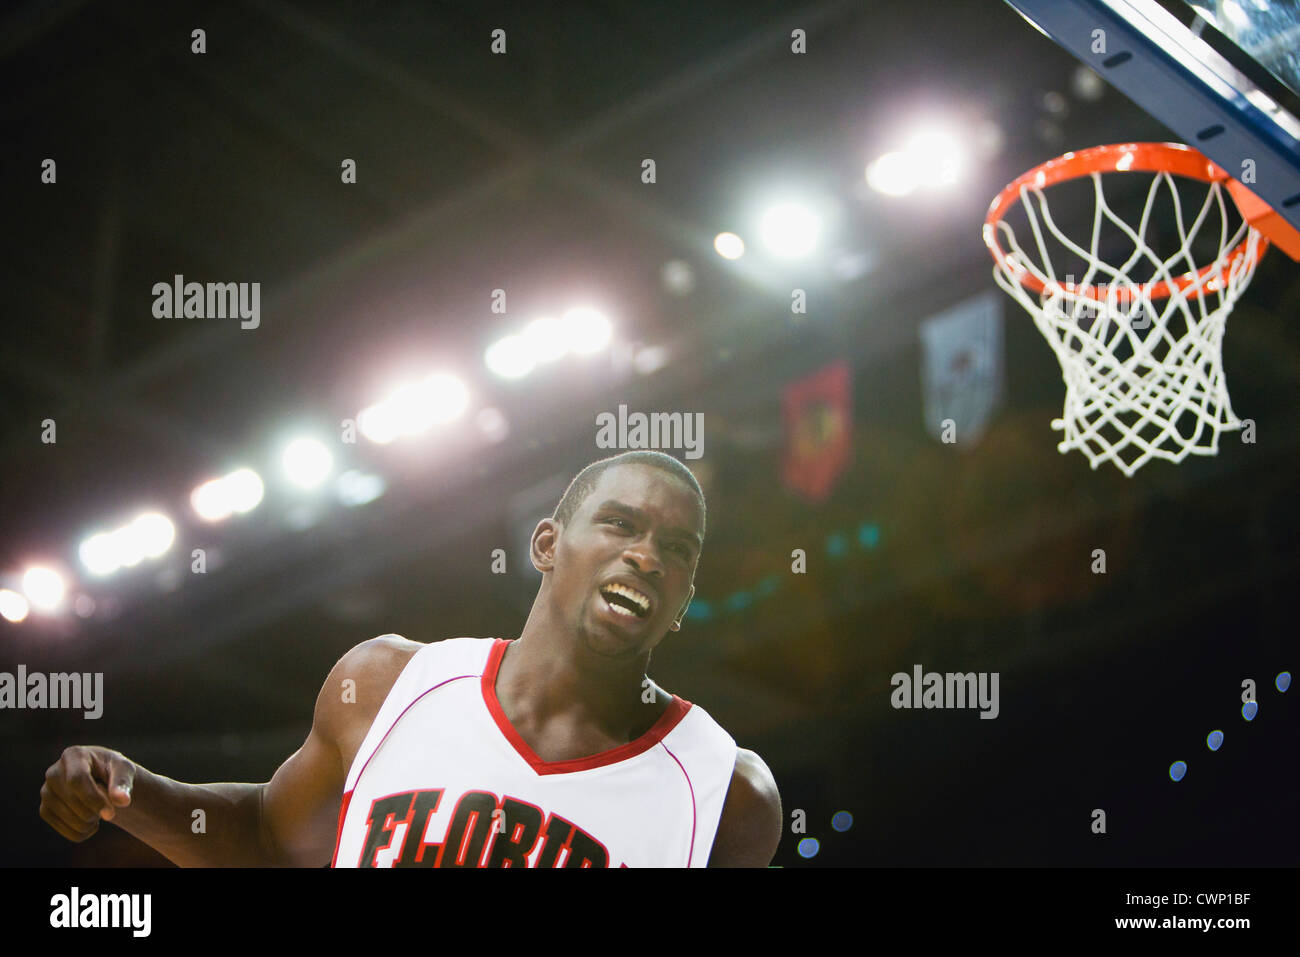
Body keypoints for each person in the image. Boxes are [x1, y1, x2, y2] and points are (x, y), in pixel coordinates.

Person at [40, 450, 782, 866]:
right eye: (620, 524)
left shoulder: (727, 794)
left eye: (676, 550)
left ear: (685, 596)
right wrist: (133, 790)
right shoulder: (390, 683)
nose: (646, 556)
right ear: (547, 545)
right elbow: (270, 836)